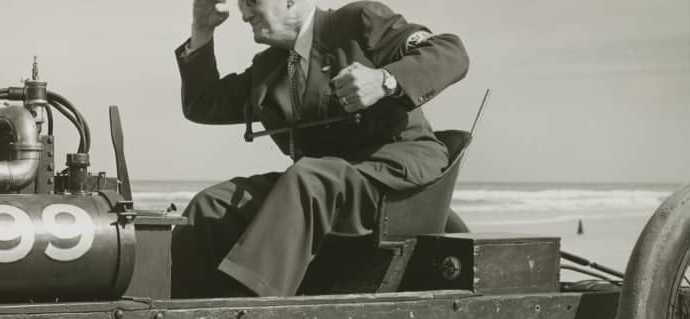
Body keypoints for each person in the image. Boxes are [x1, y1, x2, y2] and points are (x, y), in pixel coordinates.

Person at [171, 0, 469, 298]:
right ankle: (176, 316)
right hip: (324, 188)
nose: (244, 13)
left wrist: (384, 80)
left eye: (252, 1)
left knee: (308, 178)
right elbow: (203, 104)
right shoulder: (268, 68)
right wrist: (202, 29)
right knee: (211, 205)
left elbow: (451, 52)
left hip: (393, 176)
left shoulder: (357, 22)